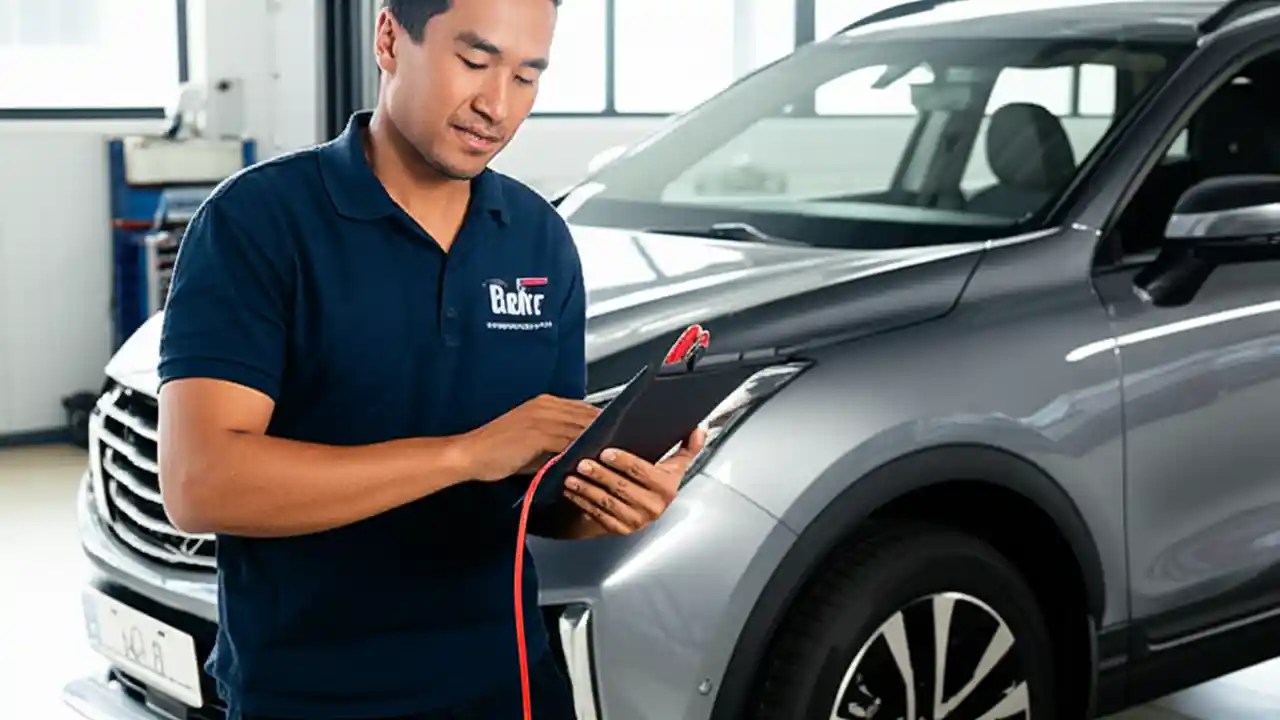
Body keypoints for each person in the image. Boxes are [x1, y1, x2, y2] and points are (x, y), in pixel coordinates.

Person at [155, 0, 705, 718]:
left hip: (507, 685)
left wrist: (611, 500)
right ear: (389, 37)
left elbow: (535, 493)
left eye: (526, 77)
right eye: (473, 62)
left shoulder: (538, 240)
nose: (495, 105)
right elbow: (201, 484)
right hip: (309, 694)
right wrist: (462, 455)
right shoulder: (258, 223)